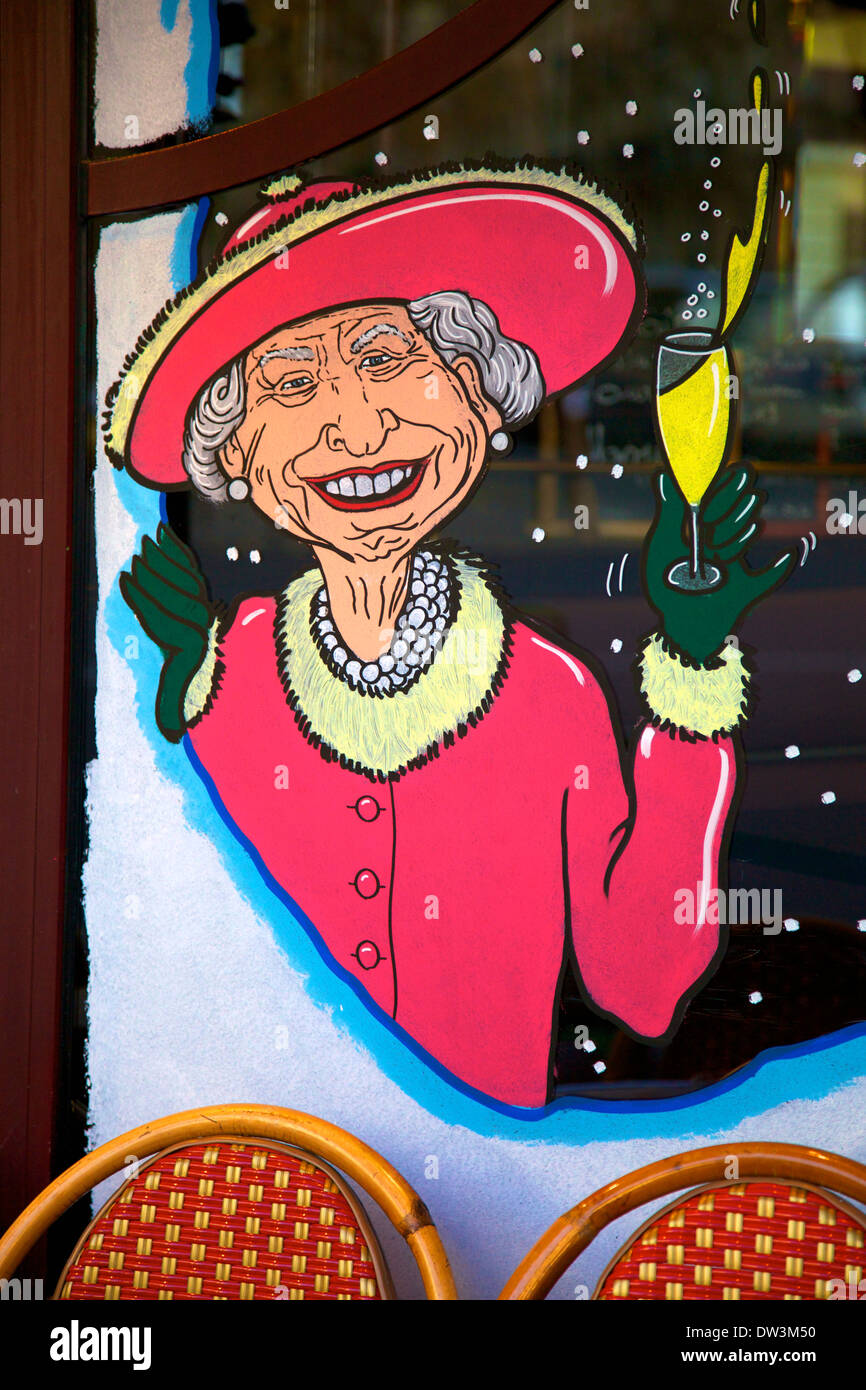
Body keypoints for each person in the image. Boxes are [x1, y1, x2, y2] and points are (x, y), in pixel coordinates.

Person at [110, 161, 793, 1108]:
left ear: (476, 395)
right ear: (241, 461)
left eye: (387, 361)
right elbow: (163, 945)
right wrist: (178, 708)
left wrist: (691, 676)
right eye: (293, 385)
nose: (353, 428)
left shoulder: (549, 693)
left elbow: (638, 987)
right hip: (257, 1190)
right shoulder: (228, 679)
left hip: (490, 1206)